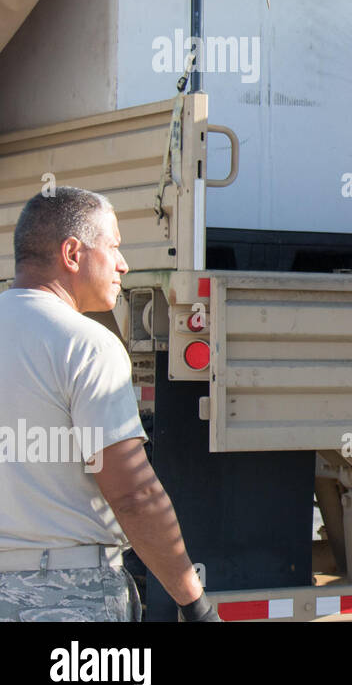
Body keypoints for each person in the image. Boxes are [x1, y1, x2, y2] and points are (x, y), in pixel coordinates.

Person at [0, 187, 219, 621]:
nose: (123, 264)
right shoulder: (86, 345)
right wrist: (195, 604)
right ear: (72, 253)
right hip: (67, 599)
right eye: (114, 247)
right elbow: (133, 494)